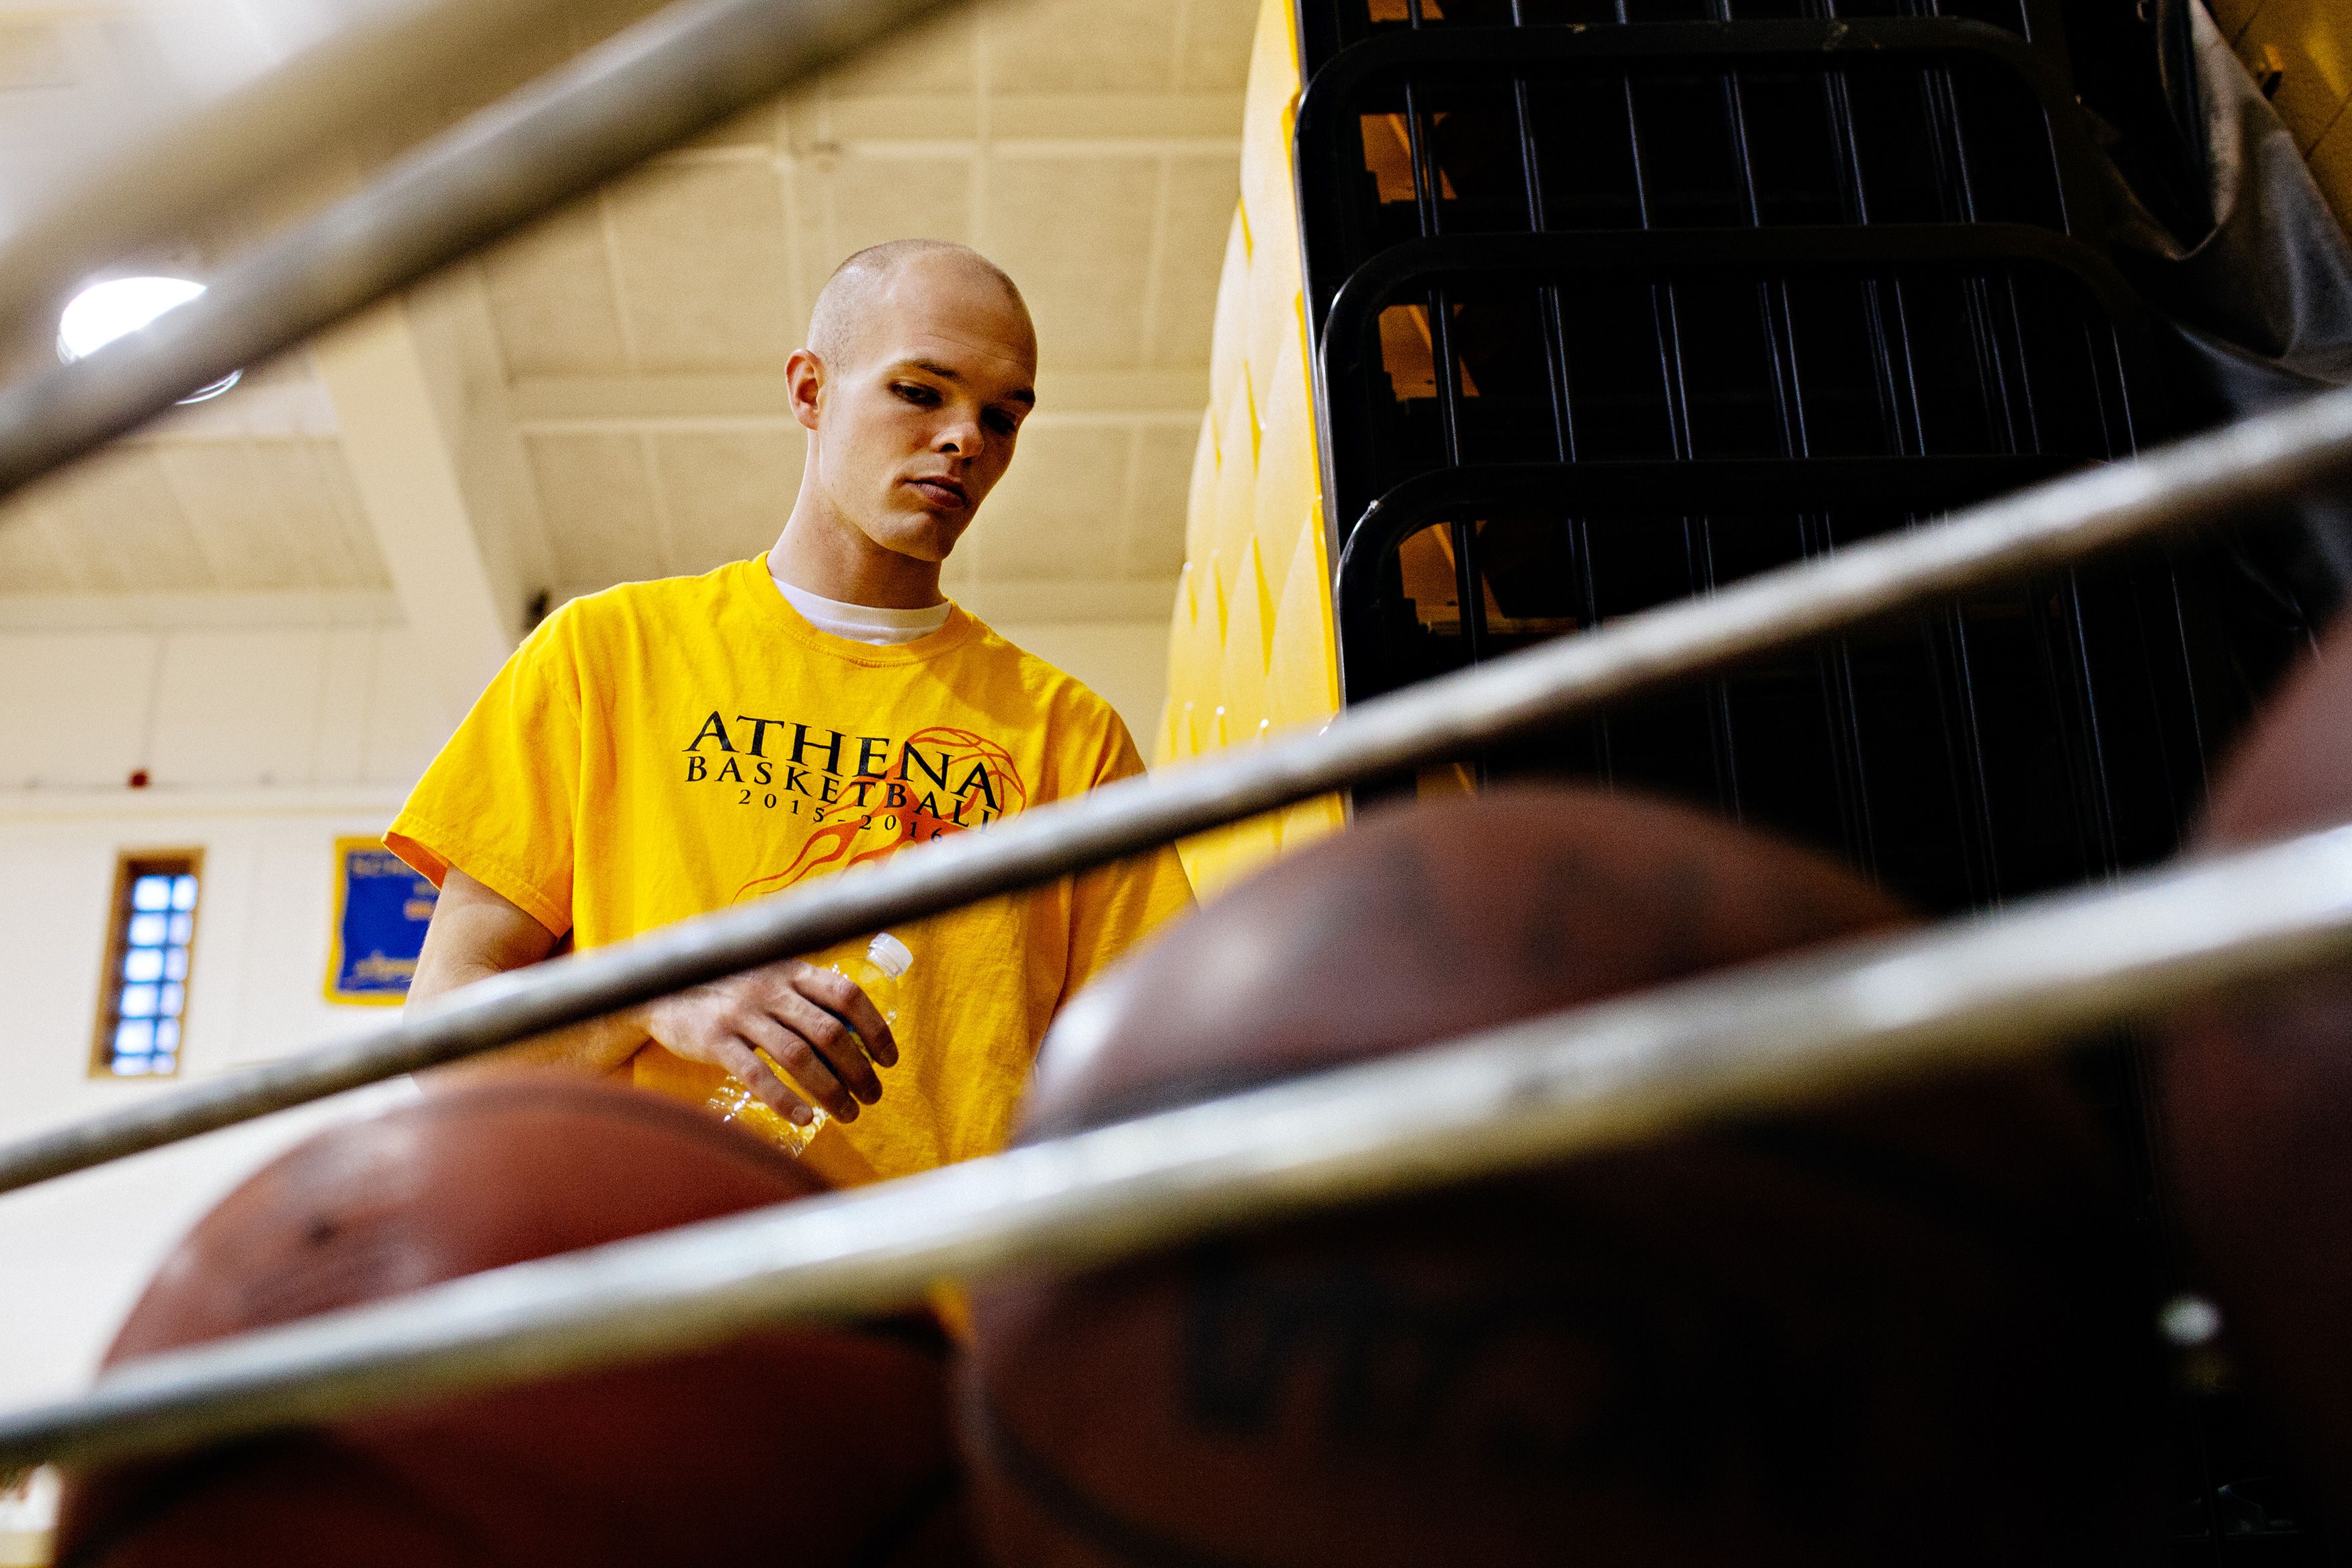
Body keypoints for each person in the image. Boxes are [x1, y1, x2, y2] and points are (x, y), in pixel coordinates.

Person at [388, 238, 1193, 1184]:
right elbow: (441, 1038)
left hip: (930, 1307)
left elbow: (1154, 1085)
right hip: (637, 1293)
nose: (967, 439)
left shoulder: (1069, 736)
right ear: (810, 391)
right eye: (922, 392)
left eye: (1002, 416)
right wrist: (654, 995)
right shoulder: (604, 655)